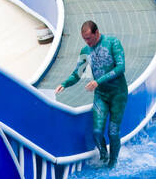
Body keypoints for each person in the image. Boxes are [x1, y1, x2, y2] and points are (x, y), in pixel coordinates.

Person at [55, 21, 128, 167]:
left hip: (117, 94)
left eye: (89, 38)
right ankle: (103, 156)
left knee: (113, 132)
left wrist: (98, 81)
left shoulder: (113, 43)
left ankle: (112, 163)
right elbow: (77, 73)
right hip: (101, 95)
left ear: (97, 33)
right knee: (96, 132)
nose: (87, 42)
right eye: (84, 39)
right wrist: (64, 84)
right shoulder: (85, 51)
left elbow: (121, 68)